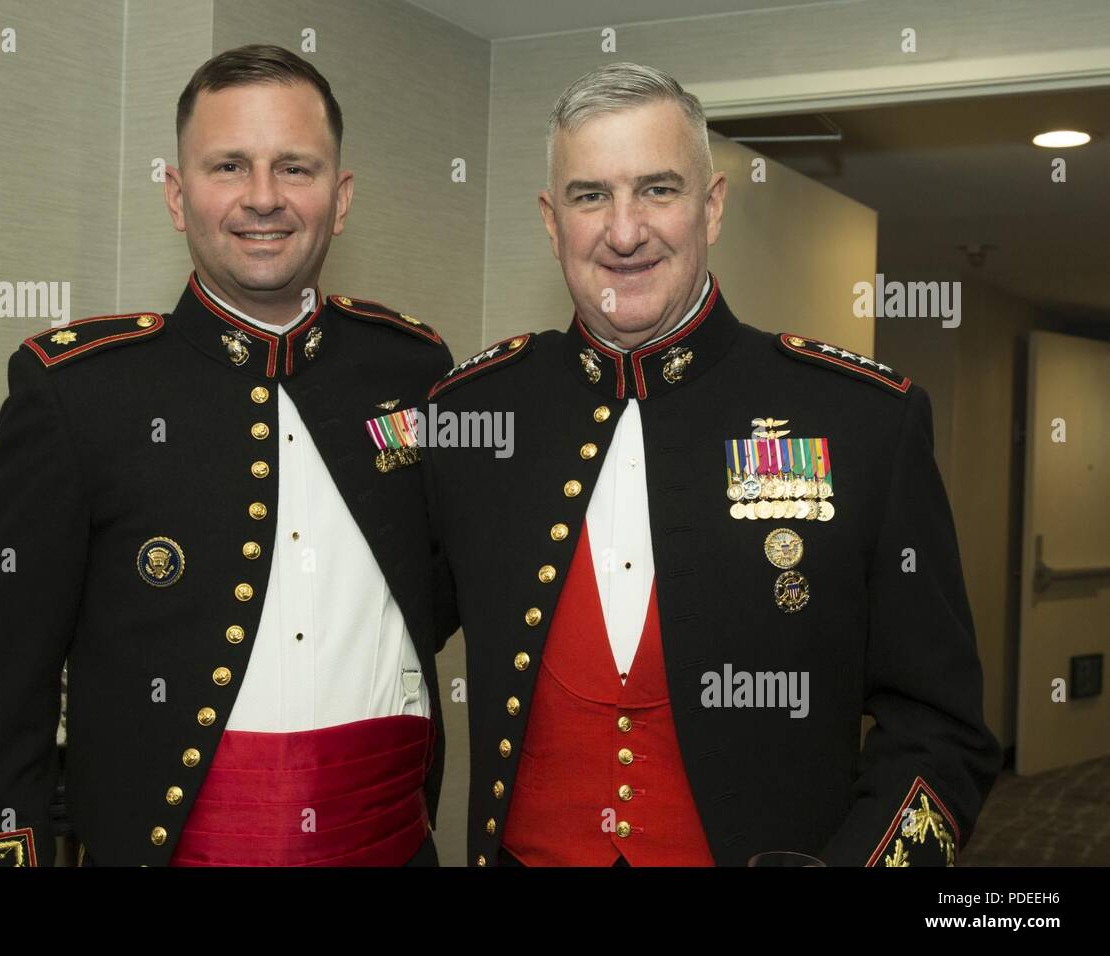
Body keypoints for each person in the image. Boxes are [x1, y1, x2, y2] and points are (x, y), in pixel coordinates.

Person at [424, 62, 1000, 867]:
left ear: (713, 205)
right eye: (591, 196)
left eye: (658, 190)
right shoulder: (473, 418)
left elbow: (941, 728)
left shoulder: (863, 420)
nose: (624, 232)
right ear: (552, 222)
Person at [0, 44, 454, 867]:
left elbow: (442, 587)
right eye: (228, 167)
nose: (263, 198)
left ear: (341, 196)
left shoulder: (411, 370)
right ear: (178, 198)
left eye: (295, 167)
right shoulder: (77, 393)